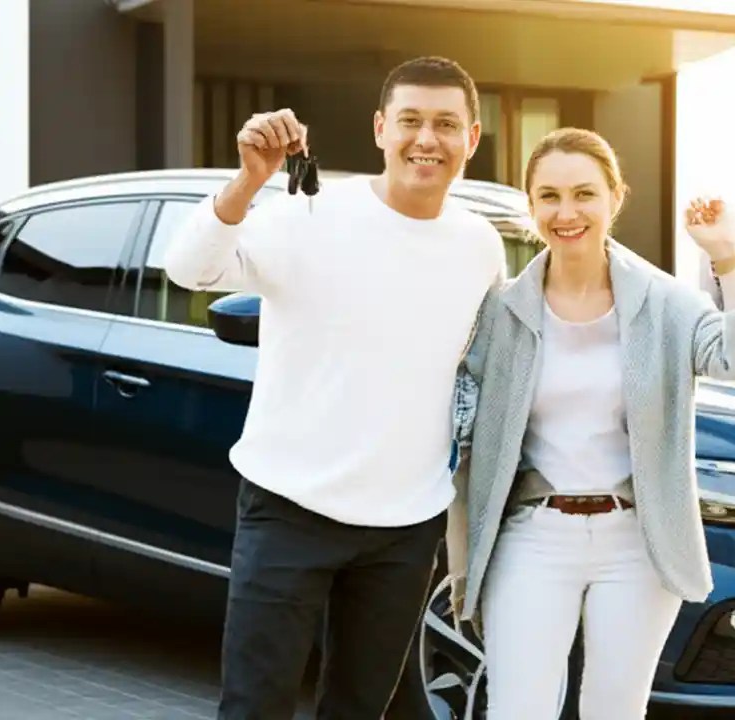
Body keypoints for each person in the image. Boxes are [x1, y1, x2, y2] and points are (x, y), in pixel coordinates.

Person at [163, 56, 507, 720]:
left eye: (445, 124)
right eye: (409, 121)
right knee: (254, 707)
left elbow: (490, 364)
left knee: (359, 709)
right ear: (381, 129)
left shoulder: (480, 245)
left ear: (472, 137)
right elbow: (189, 267)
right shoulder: (307, 216)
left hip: (405, 527)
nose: (426, 139)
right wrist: (249, 180)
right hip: (289, 507)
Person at [446, 127, 735, 719]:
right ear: (531, 206)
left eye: (583, 194)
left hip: (636, 543)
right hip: (532, 535)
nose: (566, 212)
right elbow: (463, 428)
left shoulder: (665, 303)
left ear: (615, 198)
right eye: (548, 196)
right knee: (517, 709)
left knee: (614, 711)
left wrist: (724, 257)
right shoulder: (500, 311)